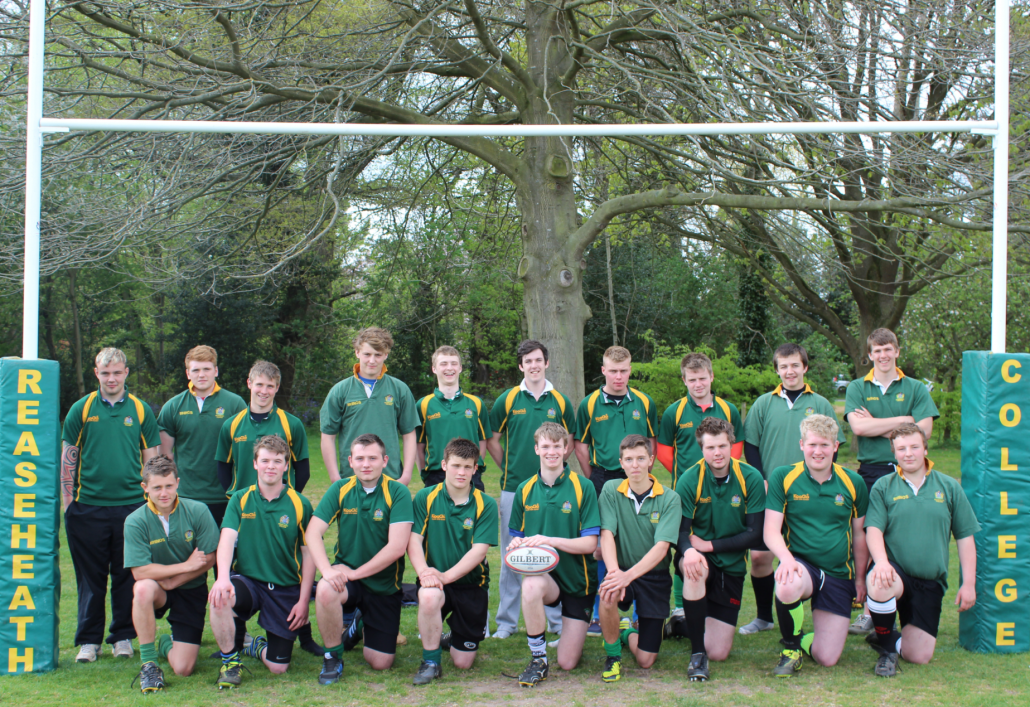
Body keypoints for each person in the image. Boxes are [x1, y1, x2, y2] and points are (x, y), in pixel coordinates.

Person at [61, 347, 161, 663]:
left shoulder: (141, 410)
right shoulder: (81, 408)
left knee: (126, 575)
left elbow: (153, 460)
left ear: (126, 373)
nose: (112, 378)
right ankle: (89, 641)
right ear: (96, 374)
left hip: (131, 508)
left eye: (117, 372)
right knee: (90, 578)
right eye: (105, 373)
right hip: (87, 507)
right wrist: (68, 503)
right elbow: (68, 458)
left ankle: (122, 637)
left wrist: (151, 503)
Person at [739, 343, 842, 635]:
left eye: (795, 365)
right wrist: (762, 479)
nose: (789, 371)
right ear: (777, 370)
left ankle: (820, 616)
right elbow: (751, 445)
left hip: (808, 494)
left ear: (805, 367)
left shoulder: (820, 403)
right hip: (772, 491)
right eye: (783, 366)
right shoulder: (763, 403)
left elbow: (833, 445)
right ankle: (763, 617)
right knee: (760, 557)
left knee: (807, 554)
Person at [863, 424, 979, 677]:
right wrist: (881, 562)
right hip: (896, 571)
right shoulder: (884, 486)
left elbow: (965, 537)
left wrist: (968, 583)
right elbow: (873, 530)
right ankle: (887, 651)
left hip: (929, 580)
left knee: (919, 656)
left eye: (914, 447)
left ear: (925, 448)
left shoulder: (948, 487)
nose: (908, 453)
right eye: (901, 448)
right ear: (894, 453)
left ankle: (884, 634)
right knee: (879, 582)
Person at [844, 328, 938, 634]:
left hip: (910, 470)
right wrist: (904, 421)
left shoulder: (915, 388)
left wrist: (879, 425)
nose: (883, 355)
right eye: (877, 351)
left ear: (897, 351)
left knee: (902, 534)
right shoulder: (858, 387)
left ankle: (902, 598)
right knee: (873, 534)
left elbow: (924, 433)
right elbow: (858, 428)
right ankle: (872, 607)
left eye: (889, 349)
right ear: (869, 355)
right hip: (871, 471)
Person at [764, 414, 868, 677]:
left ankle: (805, 637)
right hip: (803, 567)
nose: (818, 451)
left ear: (835, 446)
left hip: (837, 574)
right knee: (786, 581)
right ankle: (791, 650)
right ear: (801, 445)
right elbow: (770, 531)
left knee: (827, 658)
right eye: (812, 445)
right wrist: (786, 560)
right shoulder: (784, 476)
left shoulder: (853, 482)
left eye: (824, 445)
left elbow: (859, 536)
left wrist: (860, 579)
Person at [208, 435, 314, 689]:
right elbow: (226, 540)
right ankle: (231, 662)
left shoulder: (300, 504)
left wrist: (303, 600)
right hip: (249, 581)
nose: (270, 466)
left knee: (279, 668)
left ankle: (253, 645)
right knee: (220, 597)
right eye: (264, 460)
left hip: (285, 587)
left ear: (286, 465)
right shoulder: (240, 499)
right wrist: (222, 578)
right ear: (255, 463)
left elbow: (309, 555)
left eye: (277, 461)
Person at [307, 433, 413, 684]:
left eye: (373, 458)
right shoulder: (340, 488)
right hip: (348, 581)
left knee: (380, 663)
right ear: (350, 461)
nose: (366, 464)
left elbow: (397, 548)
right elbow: (312, 532)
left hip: (384, 585)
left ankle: (358, 623)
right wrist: (327, 570)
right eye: (360, 458)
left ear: (385, 461)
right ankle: (332, 657)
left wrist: (354, 573)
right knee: (325, 589)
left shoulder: (398, 492)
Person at [488, 340, 576, 639]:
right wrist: (510, 469)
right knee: (512, 555)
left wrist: (554, 468)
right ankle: (507, 624)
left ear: (546, 363)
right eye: (528, 361)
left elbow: (571, 441)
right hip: (514, 489)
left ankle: (557, 622)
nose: (534, 365)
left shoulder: (560, 401)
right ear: (521, 366)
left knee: (550, 553)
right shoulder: (508, 399)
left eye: (538, 360)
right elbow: (493, 440)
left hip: (554, 489)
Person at [506, 422, 600, 687]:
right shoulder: (524, 490)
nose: (551, 452)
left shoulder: (584, 487)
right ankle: (538, 659)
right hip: (547, 578)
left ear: (566, 449)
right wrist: (517, 546)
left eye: (556, 446)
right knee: (531, 583)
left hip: (578, 583)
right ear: (536, 449)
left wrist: (549, 541)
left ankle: (570, 637)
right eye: (545, 446)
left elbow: (590, 544)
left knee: (568, 662)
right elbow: (518, 538)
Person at [656, 351, 743, 633]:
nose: (698, 384)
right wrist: (687, 477)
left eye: (702, 378)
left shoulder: (729, 410)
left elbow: (737, 449)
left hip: (724, 489)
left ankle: (716, 602)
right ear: (684, 380)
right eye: (692, 379)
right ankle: (681, 605)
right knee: (683, 546)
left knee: (720, 541)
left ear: (711, 377)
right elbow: (664, 451)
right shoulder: (674, 412)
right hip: (686, 492)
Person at [574, 346, 658, 635]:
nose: (618, 376)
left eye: (624, 371)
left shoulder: (644, 402)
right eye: (613, 370)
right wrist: (593, 478)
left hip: (637, 476)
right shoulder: (588, 404)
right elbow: (581, 446)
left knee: (639, 541)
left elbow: (651, 440)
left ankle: (639, 612)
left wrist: (645, 470)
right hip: (602, 477)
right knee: (601, 547)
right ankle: (600, 612)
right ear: (603, 370)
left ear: (630, 370)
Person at [675, 418, 766, 681]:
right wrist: (690, 551)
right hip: (698, 558)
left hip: (732, 565)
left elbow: (755, 534)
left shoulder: (750, 477)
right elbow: (680, 532)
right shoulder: (689, 479)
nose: (717, 453)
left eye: (722, 446)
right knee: (694, 570)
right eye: (710, 447)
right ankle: (697, 657)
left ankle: (681, 625)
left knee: (720, 651)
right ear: (701, 449)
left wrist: (711, 545)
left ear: (732, 445)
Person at [408, 438, 499, 685]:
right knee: (428, 595)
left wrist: (445, 576)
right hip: (435, 582)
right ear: (444, 464)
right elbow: (413, 541)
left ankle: (448, 636)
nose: (461, 472)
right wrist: (425, 572)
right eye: (456, 465)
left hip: (471, 585)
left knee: (463, 662)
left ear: (475, 468)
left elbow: (478, 552)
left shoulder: (486, 504)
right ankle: (430, 661)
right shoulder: (425, 497)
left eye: (468, 467)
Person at [124, 456, 218, 692]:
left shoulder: (198, 510)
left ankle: (165, 643)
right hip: (159, 589)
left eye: (168, 486)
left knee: (184, 669)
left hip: (190, 590)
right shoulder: (134, 521)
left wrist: (176, 579)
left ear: (177, 483)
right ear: (145, 488)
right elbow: (141, 571)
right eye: (156, 487)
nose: (163, 493)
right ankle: (149, 664)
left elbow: (210, 556)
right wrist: (185, 566)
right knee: (143, 588)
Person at [597, 435, 679, 682]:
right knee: (609, 592)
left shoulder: (670, 498)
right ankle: (612, 656)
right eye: (629, 459)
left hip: (654, 577)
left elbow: (662, 548)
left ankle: (626, 634)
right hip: (620, 569)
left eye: (641, 458)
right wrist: (614, 575)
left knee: (646, 660)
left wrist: (627, 576)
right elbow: (607, 535)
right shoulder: (611, 490)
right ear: (621, 462)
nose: (635, 465)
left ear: (650, 461)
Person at [158, 345, 247, 525]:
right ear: (188, 373)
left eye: (206, 369)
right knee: (189, 552)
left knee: (224, 551)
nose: (201, 374)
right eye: (196, 370)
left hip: (225, 495)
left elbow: (244, 453)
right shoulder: (173, 406)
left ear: (216, 371)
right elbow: (165, 456)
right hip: (185, 496)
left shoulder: (235, 404)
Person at [320, 327, 419, 485]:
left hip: (391, 478)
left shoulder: (400, 389)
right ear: (357, 353)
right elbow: (327, 437)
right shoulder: (340, 391)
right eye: (367, 354)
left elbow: (409, 435)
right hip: (350, 479)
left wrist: (406, 475)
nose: (372, 360)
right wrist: (335, 478)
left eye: (378, 355)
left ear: (386, 355)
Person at [216, 360, 310, 497]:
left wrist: (288, 498)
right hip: (244, 505)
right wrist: (236, 497)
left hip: (281, 505)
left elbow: (303, 471)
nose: (264, 391)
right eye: (259, 385)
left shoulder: (292, 424)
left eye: (270, 386)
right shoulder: (231, 425)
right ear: (249, 383)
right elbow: (223, 468)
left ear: (277, 388)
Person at [415, 346, 491, 491]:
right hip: (436, 475)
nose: (449, 368)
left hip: (469, 474)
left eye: (453, 363)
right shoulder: (423, 405)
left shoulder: (475, 403)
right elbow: (419, 445)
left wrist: (473, 467)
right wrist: (424, 472)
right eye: (443, 363)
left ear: (460, 368)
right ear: (434, 369)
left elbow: (482, 440)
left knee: (473, 514)